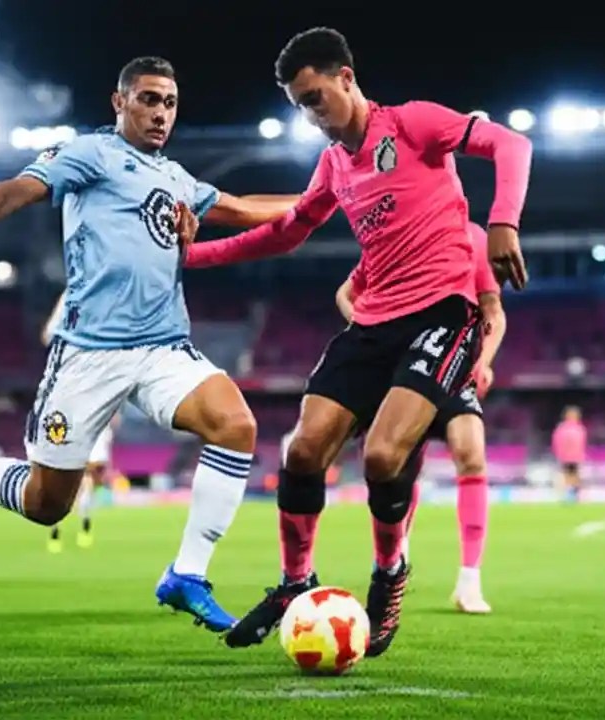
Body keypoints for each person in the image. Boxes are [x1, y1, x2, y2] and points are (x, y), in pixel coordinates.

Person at [0, 56, 299, 633]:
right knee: (47, 504)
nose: (161, 114)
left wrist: (329, 197)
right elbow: (15, 191)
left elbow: (243, 209)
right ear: (120, 102)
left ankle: (187, 574)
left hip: (162, 346)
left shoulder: (177, 178)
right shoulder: (90, 154)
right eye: (149, 100)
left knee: (236, 424)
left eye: (170, 103)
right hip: (88, 354)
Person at [181, 27, 532, 655]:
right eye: (300, 106)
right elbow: (286, 232)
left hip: (443, 315)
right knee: (303, 451)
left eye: (316, 97)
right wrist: (194, 257)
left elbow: (511, 143)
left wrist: (502, 220)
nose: (312, 116)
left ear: (346, 77)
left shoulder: (415, 123)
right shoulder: (334, 164)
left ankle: (390, 572)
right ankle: (295, 583)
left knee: (381, 457)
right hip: (371, 323)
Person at [337, 221, 507, 614]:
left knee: (472, 453)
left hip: (455, 362)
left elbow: (493, 312)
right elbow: (346, 294)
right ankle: (397, 560)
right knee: (400, 466)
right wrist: (366, 331)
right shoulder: (397, 230)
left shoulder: (473, 237)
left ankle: (469, 581)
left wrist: (483, 360)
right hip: (404, 369)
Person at [41, 290, 117, 553]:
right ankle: (62, 527)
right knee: (69, 479)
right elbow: (47, 336)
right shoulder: (75, 296)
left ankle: (70, 526)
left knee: (83, 481)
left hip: (86, 407)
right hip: (74, 405)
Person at [552, 406, 587, 502]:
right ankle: (567, 496)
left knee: (575, 477)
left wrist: (581, 455)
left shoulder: (579, 428)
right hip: (565, 457)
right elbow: (556, 442)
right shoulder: (562, 428)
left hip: (575, 457)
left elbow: (582, 443)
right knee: (566, 476)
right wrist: (559, 453)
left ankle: (575, 495)